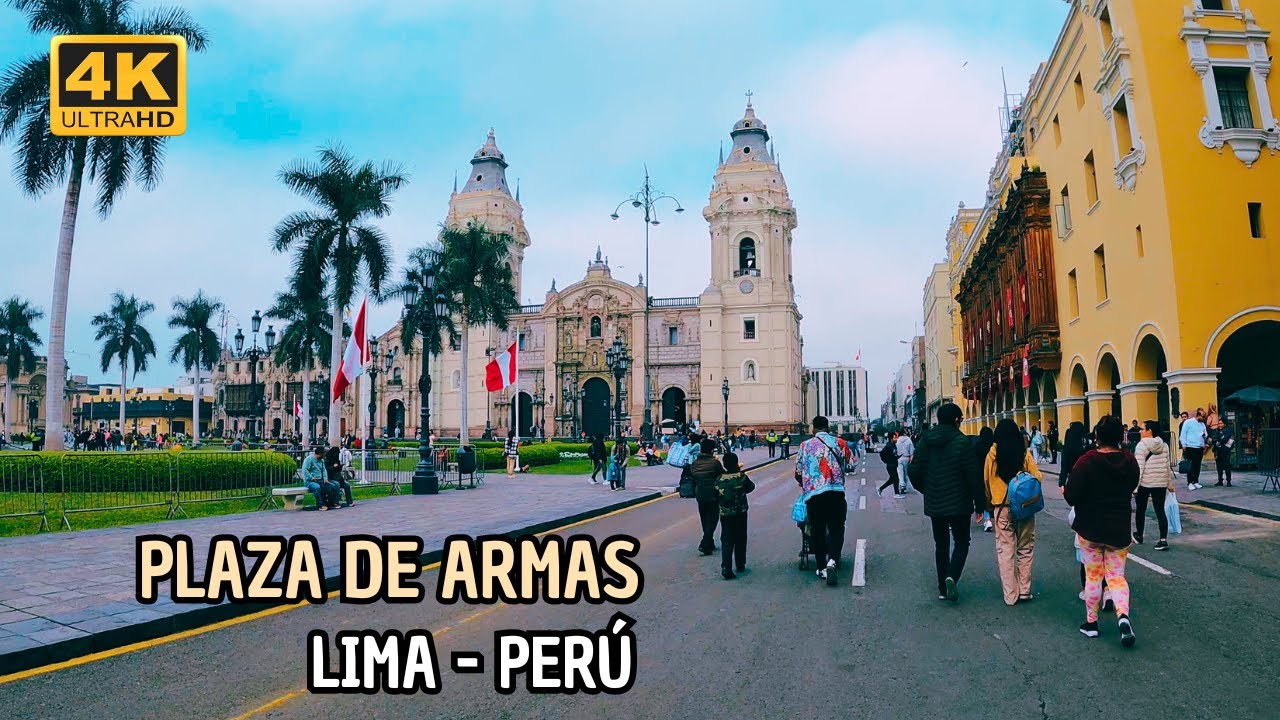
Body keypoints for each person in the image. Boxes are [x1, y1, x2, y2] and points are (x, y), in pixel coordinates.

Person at [1064, 416, 1140, 646]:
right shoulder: (1129, 460)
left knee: (1094, 576)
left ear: (1097, 436)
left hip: (1090, 528)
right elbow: (1133, 485)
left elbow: (1071, 495)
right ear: (1121, 436)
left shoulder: (1087, 461)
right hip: (1119, 528)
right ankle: (1123, 616)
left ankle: (1092, 623)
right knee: (1116, 576)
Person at [909, 403, 985, 602]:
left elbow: (914, 471)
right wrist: (980, 504)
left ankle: (943, 588)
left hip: (935, 502)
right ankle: (952, 575)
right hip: (960, 502)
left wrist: (926, 489)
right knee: (962, 541)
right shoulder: (962, 442)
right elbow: (973, 476)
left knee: (941, 544)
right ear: (956, 420)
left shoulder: (925, 441)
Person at [983, 419, 1042, 605]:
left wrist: (989, 504)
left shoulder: (992, 454)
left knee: (1005, 550)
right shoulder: (1023, 452)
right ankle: (1024, 590)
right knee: (1025, 547)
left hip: (1001, 507)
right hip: (1023, 507)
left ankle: (1010, 595)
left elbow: (986, 481)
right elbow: (1037, 476)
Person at [795, 416, 853, 586]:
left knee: (817, 530)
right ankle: (832, 561)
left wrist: (806, 482)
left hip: (814, 495)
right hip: (836, 493)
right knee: (837, 528)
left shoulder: (804, 446)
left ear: (813, 429)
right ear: (828, 428)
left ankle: (821, 567)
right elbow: (851, 465)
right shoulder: (840, 443)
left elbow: (798, 472)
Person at [1133, 420, 1175, 550]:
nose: (1140, 431)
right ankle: (1163, 540)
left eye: (1142, 429)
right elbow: (1167, 466)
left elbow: (1139, 468)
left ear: (1149, 431)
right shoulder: (1164, 445)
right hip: (1160, 482)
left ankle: (1139, 535)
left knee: (1141, 509)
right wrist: (1170, 483)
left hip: (1145, 483)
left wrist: (1135, 487)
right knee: (1160, 510)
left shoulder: (1141, 445)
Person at [714, 452, 755, 579]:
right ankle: (740, 563)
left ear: (724, 464)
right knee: (740, 538)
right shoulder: (741, 477)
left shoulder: (720, 479)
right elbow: (751, 487)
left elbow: (715, 494)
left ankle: (726, 567)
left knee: (727, 540)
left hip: (725, 514)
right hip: (740, 512)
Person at [690, 438, 725, 555]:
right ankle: (705, 542)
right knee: (713, 519)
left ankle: (710, 542)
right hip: (713, 495)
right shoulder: (715, 463)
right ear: (711, 450)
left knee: (704, 519)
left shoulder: (694, 464)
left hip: (700, 495)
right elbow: (722, 475)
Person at [973, 426, 996, 532]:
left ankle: (987, 520)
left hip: (981, 475)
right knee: (994, 497)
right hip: (994, 475)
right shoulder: (994, 446)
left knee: (984, 497)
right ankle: (996, 517)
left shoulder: (977, 446)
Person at [1179, 409, 1207, 491]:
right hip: (1190, 446)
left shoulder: (1202, 424)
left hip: (1199, 447)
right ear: (1198, 415)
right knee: (1190, 465)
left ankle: (1196, 481)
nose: (1204, 418)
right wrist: (1184, 444)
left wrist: (1205, 436)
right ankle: (1190, 482)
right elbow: (1183, 434)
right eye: (1203, 416)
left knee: (1197, 465)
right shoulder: (1188, 422)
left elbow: (1205, 434)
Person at [1213, 421, 1234, 486]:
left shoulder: (1228, 430)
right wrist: (1219, 438)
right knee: (1219, 466)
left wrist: (1218, 438)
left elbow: (1225, 439)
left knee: (1227, 466)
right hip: (1218, 451)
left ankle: (1228, 481)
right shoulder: (1216, 431)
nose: (1220, 425)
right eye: (1219, 423)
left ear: (1224, 424)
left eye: (1221, 423)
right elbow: (1213, 438)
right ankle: (1220, 480)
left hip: (1225, 451)